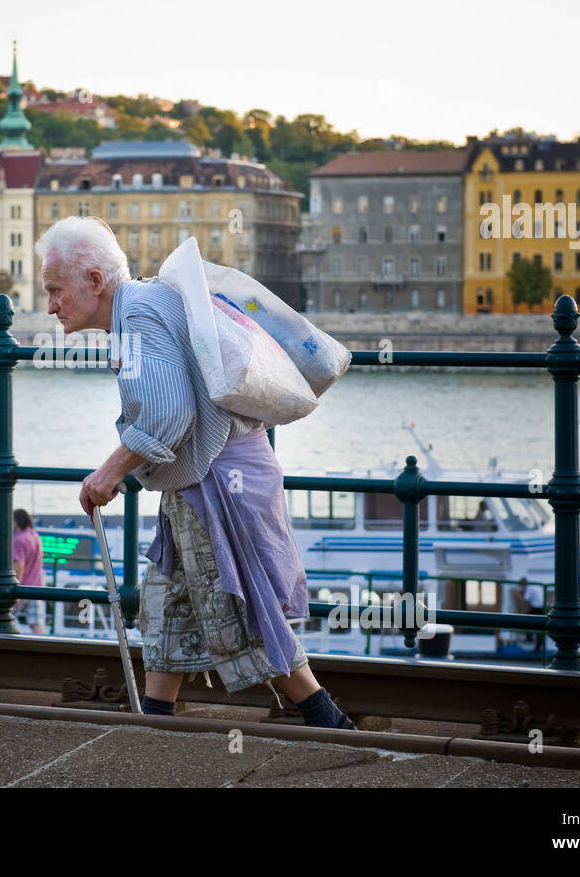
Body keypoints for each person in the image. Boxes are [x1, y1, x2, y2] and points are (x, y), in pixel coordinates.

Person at [39, 216, 357, 728]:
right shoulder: (145, 303)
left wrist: (109, 472)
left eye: (55, 290)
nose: (50, 305)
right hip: (204, 478)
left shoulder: (137, 317)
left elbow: (169, 414)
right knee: (170, 600)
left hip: (216, 482)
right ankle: (156, 721)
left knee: (243, 606)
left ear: (94, 282)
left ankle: (328, 720)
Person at [12, 508, 46, 635]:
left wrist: (17, 589)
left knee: (6, 617)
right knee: (36, 623)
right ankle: (44, 649)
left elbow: (19, 564)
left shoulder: (20, 539)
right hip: (36, 586)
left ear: (16, 521)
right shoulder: (35, 536)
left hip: (23, 587)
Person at [513, 577, 546, 651]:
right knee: (539, 628)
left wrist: (517, 594)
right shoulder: (535, 585)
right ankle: (536, 645)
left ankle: (529, 638)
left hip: (537, 609)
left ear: (524, 585)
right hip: (541, 608)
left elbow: (525, 601)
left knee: (524, 620)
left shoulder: (529, 588)